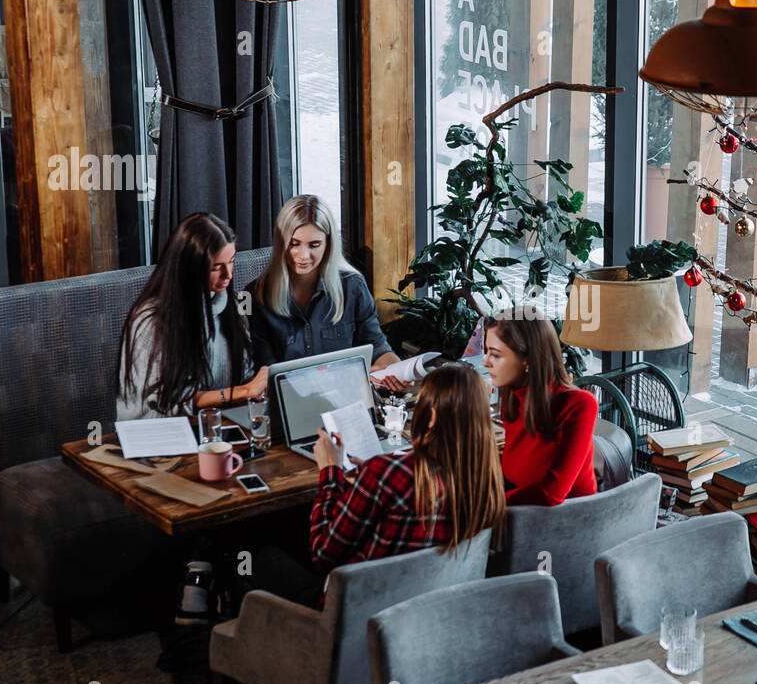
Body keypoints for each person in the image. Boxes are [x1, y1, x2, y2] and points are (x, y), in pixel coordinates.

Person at [307, 364, 505, 574]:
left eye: (420, 403)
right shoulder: (488, 479)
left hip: (362, 603)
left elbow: (322, 555)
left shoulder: (385, 474)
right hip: (438, 602)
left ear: (432, 417)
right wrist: (371, 475)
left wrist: (330, 471)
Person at [246, 194, 408, 392]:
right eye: (294, 244)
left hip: (346, 399)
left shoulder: (353, 287)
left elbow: (377, 346)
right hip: (287, 403)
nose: (303, 256)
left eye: (314, 245)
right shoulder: (255, 296)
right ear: (281, 243)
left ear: (328, 244)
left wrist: (398, 371)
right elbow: (264, 373)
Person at [117, 213, 268, 421]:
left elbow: (245, 373)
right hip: (160, 433)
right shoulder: (152, 321)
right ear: (191, 269)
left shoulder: (232, 305)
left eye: (231, 262)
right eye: (217, 267)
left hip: (216, 426)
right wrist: (242, 392)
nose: (228, 275)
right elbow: (166, 403)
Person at [485, 310, 597, 506]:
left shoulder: (579, 404)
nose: (486, 362)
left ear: (527, 359)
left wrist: (485, 505)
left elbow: (551, 493)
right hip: (518, 501)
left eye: (495, 354)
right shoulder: (512, 394)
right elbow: (520, 461)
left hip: (567, 519)